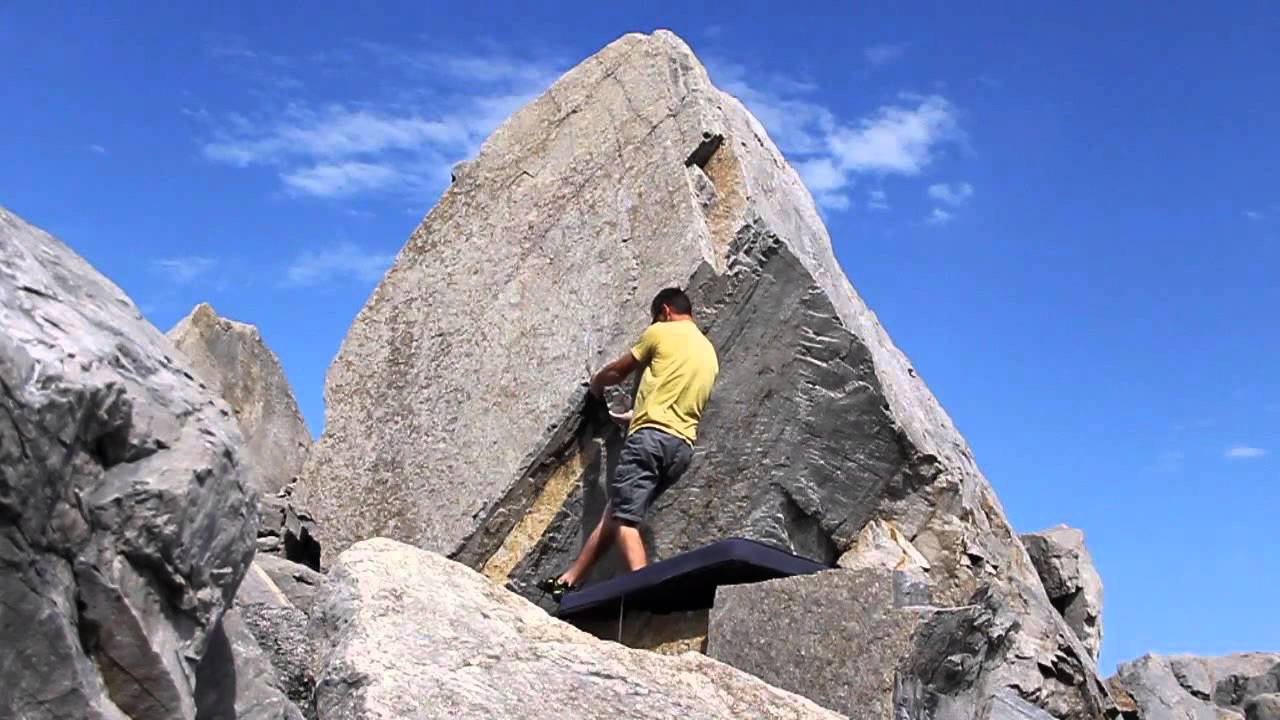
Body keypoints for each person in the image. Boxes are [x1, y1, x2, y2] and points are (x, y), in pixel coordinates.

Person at [538, 287, 719, 600]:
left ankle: (645, 589)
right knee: (619, 509)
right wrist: (627, 418)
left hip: (650, 440)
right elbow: (674, 399)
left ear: (665, 310)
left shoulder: (661, 331)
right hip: (680, 449)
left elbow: (619, 371)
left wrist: (597, 383)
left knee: (624, 520)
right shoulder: (708, 352)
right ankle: (570, 579)